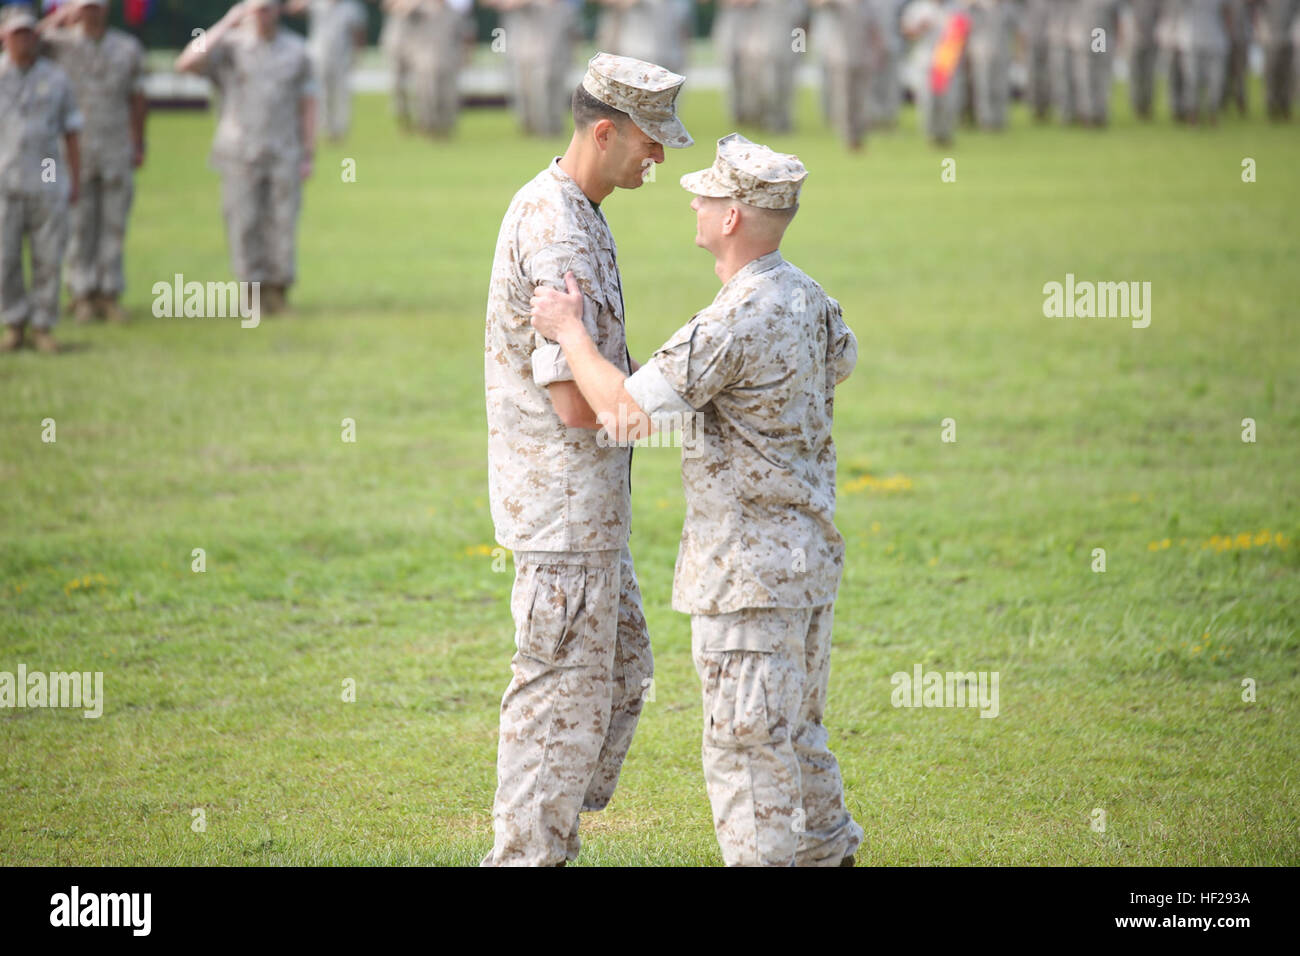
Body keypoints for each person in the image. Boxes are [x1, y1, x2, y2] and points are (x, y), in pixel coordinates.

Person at [530, 132, 864, 867]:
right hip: (806, 559)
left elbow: (622, 415)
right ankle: (828, 851)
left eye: (708, 193)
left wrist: (567, 333)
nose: (694, 199)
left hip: (745, 575)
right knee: (796, 728)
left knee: (746, 750)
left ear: (735, 217)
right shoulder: (808, 296)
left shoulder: (731, 318)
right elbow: (841, 361)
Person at [481, 53, 693, 867]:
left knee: (622, 670)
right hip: (564, 510)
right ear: (604, 132)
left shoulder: (580, 206)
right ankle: (528, 856)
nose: (659, 158)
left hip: (590, 512)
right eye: (650, 141)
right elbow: (575, 405)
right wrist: (670, 393)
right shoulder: (559, 227)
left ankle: (552, 824)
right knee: (558, 701)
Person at [176, 0, 317, 316]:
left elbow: (308, 103)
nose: (263, 14)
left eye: (268, 7)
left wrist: (309, 153)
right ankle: (250, 291)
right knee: (243, 221)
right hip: (238, 150)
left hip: (284, 149)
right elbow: (185, 63)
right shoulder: (229, 46)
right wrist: (226, 23)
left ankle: (278, 290)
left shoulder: (297, 50)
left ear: (278, 10)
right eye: (257, 8)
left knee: (282, 221)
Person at [37, 0, 146, 325]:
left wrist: (139, 142)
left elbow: (137, 98)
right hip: (74, 150)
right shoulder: (59, 43)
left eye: (97, 5)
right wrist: (61, 16)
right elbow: (16, 42)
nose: (92, 11)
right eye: (86, 6)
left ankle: (108, 293)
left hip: (115, 146)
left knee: (114, 223)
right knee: (79, 225)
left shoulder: (128, 47)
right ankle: (82, 294)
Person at [0, 3, 82, 354]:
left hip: (47, 173)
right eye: (16, 34)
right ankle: (14, 323)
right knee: (5, 257)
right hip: (4, 179)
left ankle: (44, 325)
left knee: (48, 256)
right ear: (4, 37)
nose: (23, 41)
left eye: (28, 33)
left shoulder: (55, 77)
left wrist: (73, 179)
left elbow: (71, 130)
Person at [488, 0, 580, 137]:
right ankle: (538, 127)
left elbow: (573, 33)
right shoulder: (532, 5)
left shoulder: (565, 9)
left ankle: (555, 128)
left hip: (558, 57)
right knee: (535, 95)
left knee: (556, 96)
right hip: (533, 57)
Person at [285, 0, 367, 143]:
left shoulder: (351, 7)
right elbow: (292, 9)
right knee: (321, 93)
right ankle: (324, 128)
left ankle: (340, 129)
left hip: (343, 55)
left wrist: (358, 53)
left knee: (341, 93)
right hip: (318, 56)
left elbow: (359, 32)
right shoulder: (318, 4)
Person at [810, 0, 873, 150]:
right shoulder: (840, 3)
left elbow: (874, 30)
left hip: (863, 58)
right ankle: (848, 138)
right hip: (841, 58)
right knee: (844, 100)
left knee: (861, 101)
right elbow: (818, 4)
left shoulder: (868, 6)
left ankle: (859, 137)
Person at [966, 0, 1014, 130]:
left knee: (1000, 87)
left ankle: (1000, 119)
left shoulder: (1006, 6)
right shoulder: (975, 7)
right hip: (981, 51)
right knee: (983, 87)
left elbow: (1015, 26)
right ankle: (985, 120)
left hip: (1001, 50)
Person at [1130, 0, 1164, 119]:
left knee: (1149, 76)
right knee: (1135, 76)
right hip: (1134, 40)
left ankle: (1147, 106)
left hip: (1152, 40)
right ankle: (1137, 106)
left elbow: (1162, 16)